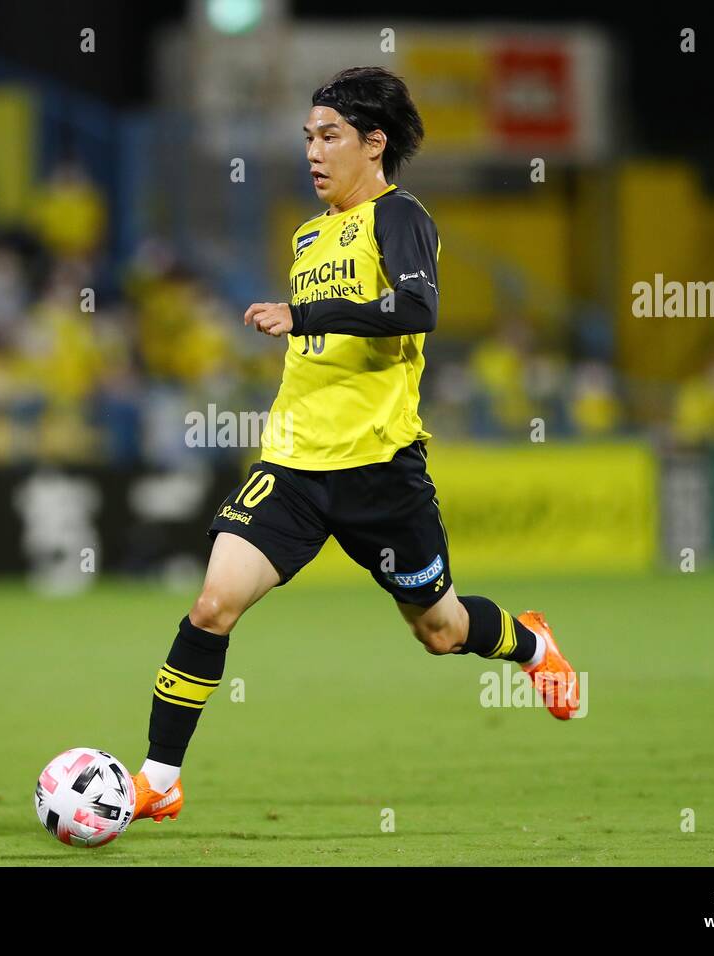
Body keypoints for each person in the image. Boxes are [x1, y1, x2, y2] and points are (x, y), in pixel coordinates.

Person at [131, 67, 580, 825]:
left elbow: (416, 309)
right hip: (295, 465)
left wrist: (305, 316)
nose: (314, 152)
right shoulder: (308, 235)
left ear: (374, 145)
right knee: (212, 606)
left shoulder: (401, 217)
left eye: (329, 136)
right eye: (308, 137)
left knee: (439, 632)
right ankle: (159, 778)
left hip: (380, 472)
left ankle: (531, 645)